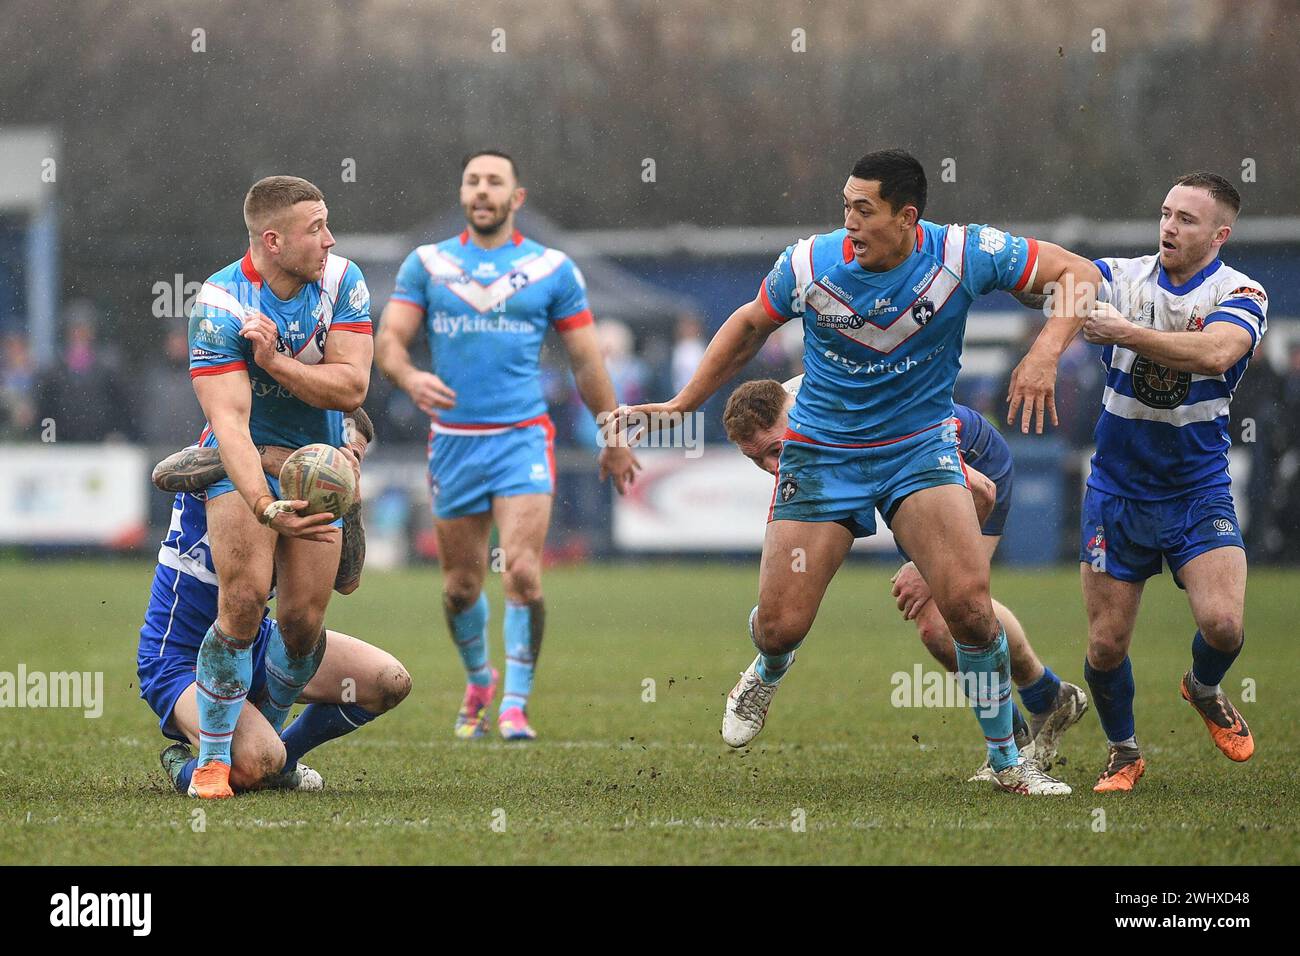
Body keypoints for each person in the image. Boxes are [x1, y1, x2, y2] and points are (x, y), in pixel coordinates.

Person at [618, 148, 1097, 795]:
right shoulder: (812, 263)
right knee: (781, 622)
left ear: (907, 216)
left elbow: (1079, 275)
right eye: (844, 207)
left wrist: (1046, 351)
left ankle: (1009, 765)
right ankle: (766, 669)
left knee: (967, 610)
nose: (849, 224)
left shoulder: (963, 253)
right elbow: (750, 324)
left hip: (918, 448)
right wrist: (682, 402)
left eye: (863, 211)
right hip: (823, 452)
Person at [1010, 172, 1265, 792]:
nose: (1170, 227)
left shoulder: (1242, 291)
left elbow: (1214, 355)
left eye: (1187, 220)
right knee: (1104, 648)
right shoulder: (1122, 277)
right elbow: (1063, 288)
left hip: (1196, 487)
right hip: (1118, 490)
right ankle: (1124, 752)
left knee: (1224, 626)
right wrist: (1045, 341)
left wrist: (1122, 332)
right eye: (1166, 213)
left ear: (1219, 234)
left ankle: (1202, 687)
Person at [375, 150, 640, 741]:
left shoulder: (552, 269)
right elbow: (388, 339)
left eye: (495, 182)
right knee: (460, 586)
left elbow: (586, 359)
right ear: (463, 194)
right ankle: (479, 680)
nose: (483, 190)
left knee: (521, 571)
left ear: (516, 198)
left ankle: (516, 704)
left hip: (522, 438)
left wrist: (612, 434)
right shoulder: (428, 264)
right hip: (453, 444)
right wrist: (410, 376)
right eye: (472, 181)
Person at [723, 377, 1088, 777]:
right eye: (756, 460)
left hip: (969, 460)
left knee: (951, 617)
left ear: (791, 415)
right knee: (944, 625)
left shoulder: (842, 415)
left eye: (775, 451)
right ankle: (1045, 699)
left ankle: (1023, 728)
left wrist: (928, 570)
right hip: (893, 467)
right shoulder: (795, 406)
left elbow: (982, 492)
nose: (771, 467)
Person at [185, 175, 373, 798]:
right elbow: (230, 426)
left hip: (317, 466)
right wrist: (264, 504)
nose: (330, 238)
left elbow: (350, 388)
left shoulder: (343, 281)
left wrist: (275, 364)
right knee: (241, 601)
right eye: (315, 228)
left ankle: (266, 742)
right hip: (241, 465)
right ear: (273, 239)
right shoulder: (220, 302)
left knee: (301, 624)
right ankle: (213, 762)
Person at [140, 411, 410, 794]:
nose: (339, 456)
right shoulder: (236, 451)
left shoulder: (314, 503)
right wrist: (273, 458)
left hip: (258, 644)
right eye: (337, 444)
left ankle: (286, 758)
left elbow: (348, 582)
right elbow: (165, 474)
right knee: (254, 765)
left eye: (354, 454)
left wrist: (348, 498)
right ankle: (185, 766)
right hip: (178, 659)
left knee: (389, 681)